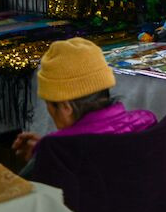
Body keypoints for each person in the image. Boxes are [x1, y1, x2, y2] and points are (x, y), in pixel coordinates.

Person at [11, 38, 157, 166]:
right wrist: (46, 147)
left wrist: (44, 152)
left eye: (48, 104)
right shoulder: (146, 122)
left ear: (66, 107)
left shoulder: (59, 151)